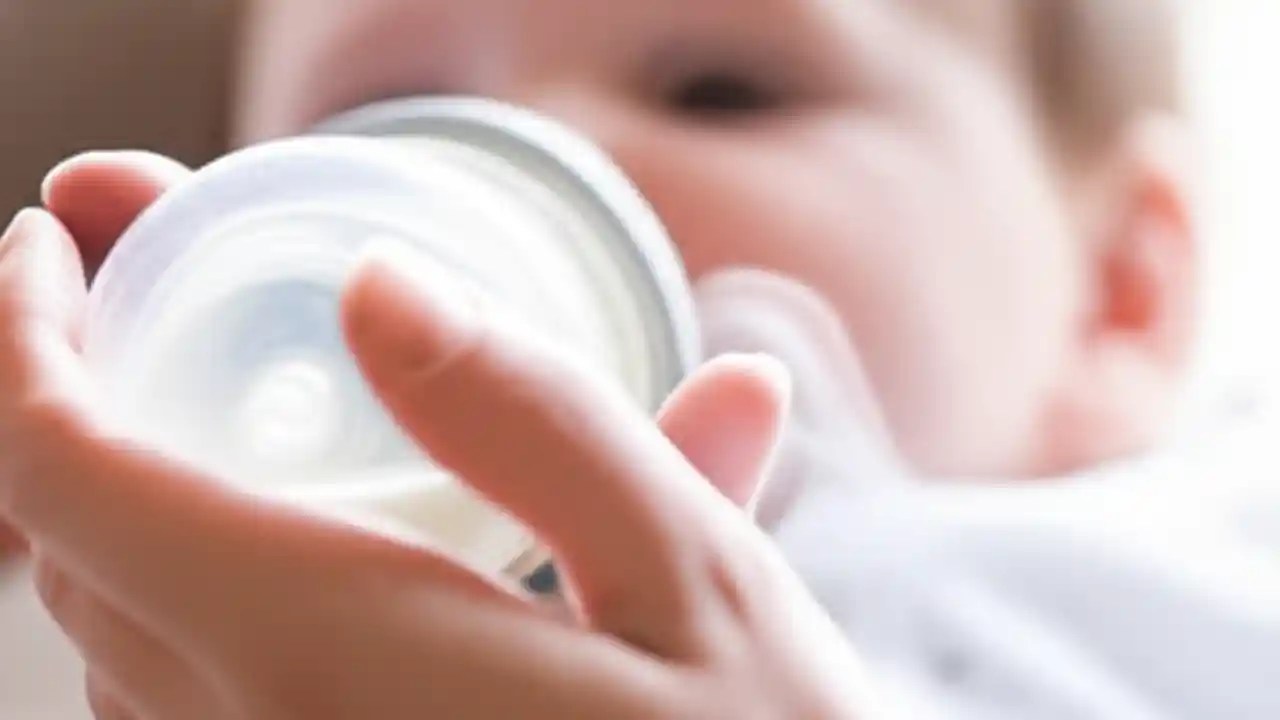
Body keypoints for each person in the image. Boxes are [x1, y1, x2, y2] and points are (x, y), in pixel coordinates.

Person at [11, 0, 1274, 718]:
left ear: (1118, 293)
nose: (522, 154)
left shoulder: (1208, 565)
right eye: (370, 127)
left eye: (719, 89)